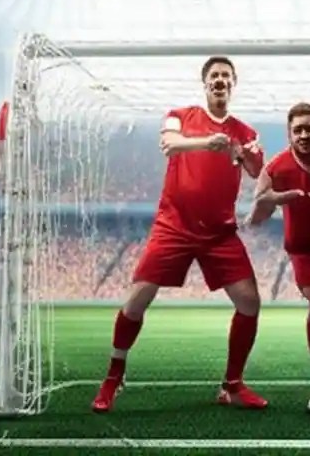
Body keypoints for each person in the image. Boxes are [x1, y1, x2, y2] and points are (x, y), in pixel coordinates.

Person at [92, 57, 267, 413]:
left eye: (226, 75)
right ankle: (114, 374)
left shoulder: (245, 131)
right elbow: (169, 144)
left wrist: (245, 153)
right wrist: (207, 142)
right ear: (205, 83)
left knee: (250, 302)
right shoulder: (181, 116)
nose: (220, 80)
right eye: (214, 75)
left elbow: (254, 169)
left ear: (233, 84)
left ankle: (232, 385)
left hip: (219, 231)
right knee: (136, 300)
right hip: (174, 225)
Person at [250, 103, 310, 412]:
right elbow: (257, 215)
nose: (304, 135)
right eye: (297, 130)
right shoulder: (277, 168)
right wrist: (268, 201)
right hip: (305, 251)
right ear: (289, 134)